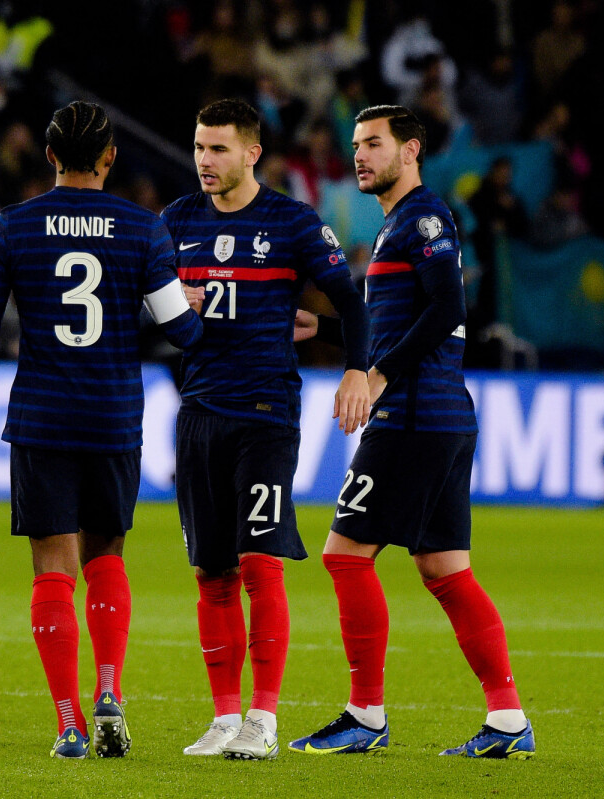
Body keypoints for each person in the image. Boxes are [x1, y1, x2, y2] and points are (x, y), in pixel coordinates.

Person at [0, 101, 202, 760]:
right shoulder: (144, 229)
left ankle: (68, 723)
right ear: (111, 157)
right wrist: (192, 304)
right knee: (106, 558)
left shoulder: (10, 227)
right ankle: (110, 691)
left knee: (52, 572)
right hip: (114, 417)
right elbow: (183, 334)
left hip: (41, 417)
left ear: (49, 155)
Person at [289, 105, 535, 759]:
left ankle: (365, 714)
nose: (361, 155)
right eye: (356, 145)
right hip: (443, 416)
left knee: (345, 555)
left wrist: (377, 375)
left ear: (412, 150)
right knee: (446, 569)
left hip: (413, 416)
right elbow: (406, 319)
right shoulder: (402, 222)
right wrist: (331, 328)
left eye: (374, 143)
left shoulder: (423, 217)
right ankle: (508, 719)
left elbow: (449, 308)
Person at [160, 98, 371, 760]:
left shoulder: (290, 222)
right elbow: (135, 307)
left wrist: (355, 370)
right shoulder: (175, 222)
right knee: (210, 572)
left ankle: (264, 716)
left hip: (265, 415)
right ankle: (224, 717)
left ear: (251, 154)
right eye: (199, 146)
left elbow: (350, 300)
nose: (204, 160)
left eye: (218, 148)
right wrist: (168, 303)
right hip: (198, 415)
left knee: (259, 563)